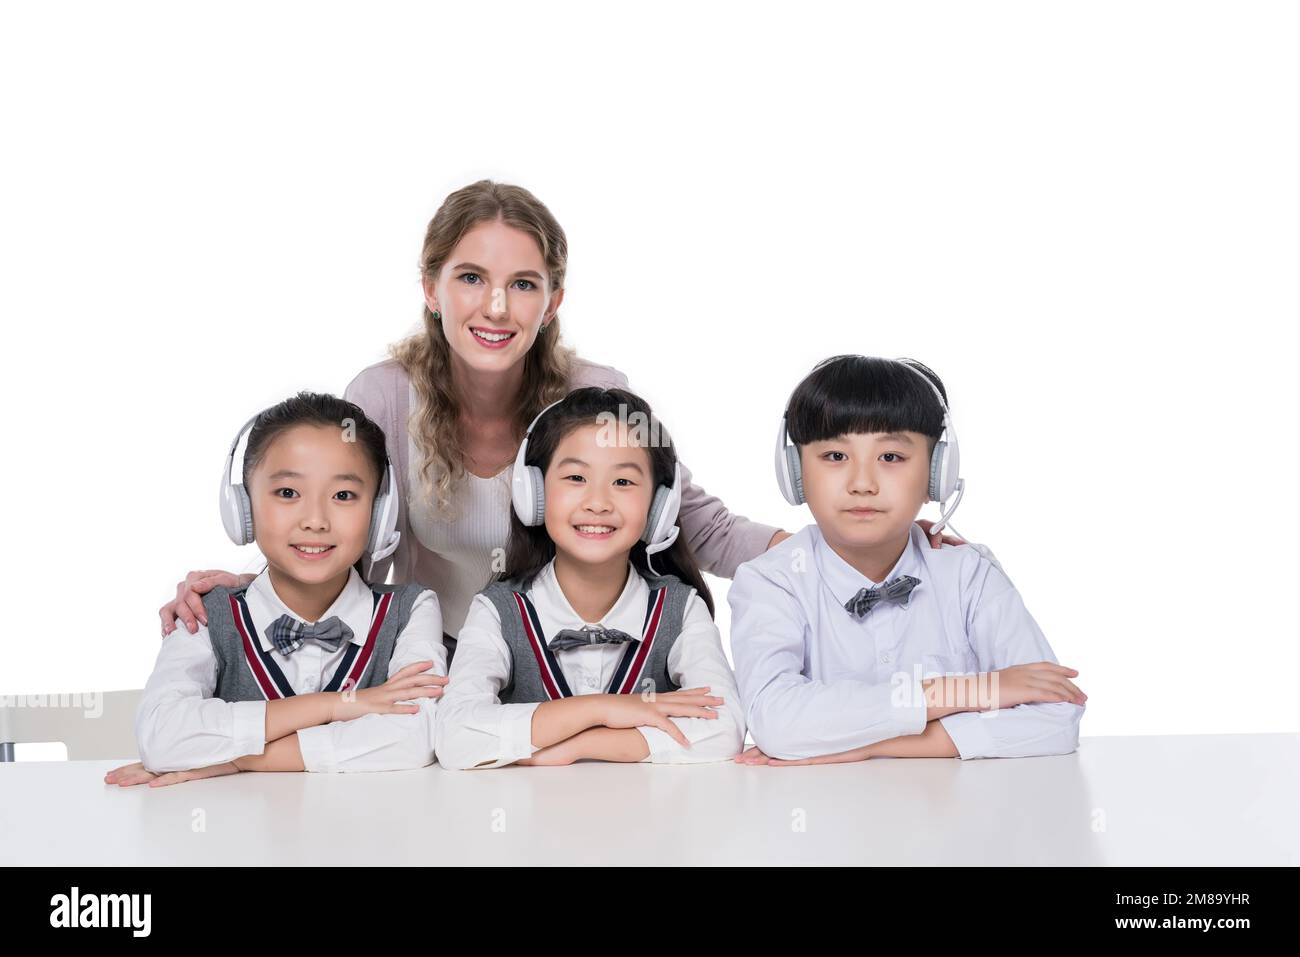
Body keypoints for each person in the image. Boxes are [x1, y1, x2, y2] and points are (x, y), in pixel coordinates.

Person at [157, 181, 960, 646]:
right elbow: (333, 515)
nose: (496, 305)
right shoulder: (381, 397)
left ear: (554, 300)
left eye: (525, 283)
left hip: (559, 660)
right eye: (470, 278)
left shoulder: (601, 392)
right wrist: (250, 586)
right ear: (430, 290)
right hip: (424, 666)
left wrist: (854, 541)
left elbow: (699, 525)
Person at [729, 355, 1086, 765]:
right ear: (794, 473)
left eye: (891, 458)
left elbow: (1057, 714)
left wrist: (869, 744)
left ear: (938, 474)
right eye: (834, 457)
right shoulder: (771, 582)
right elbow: (776, 722)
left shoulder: (968, 574)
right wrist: (960, 693)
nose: (862, 484)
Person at [105, 393, 447, 788]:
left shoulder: (411, 610)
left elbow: (416, 738)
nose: (315, 520)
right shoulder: (203, 612)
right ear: (243, 507)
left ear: (379, 514)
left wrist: (238, 761)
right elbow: (162, 738)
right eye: (287, 493)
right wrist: (335, 706)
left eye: (343, 496)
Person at [435, 387, 744, 768]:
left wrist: (579, 745)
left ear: (658, 507)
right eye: (576, 477)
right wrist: (602, 709)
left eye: (623, 482)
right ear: (534, 492)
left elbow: (725, 727)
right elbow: (455, 736)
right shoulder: (497, 611)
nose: (598, 502)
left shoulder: (680, 609)